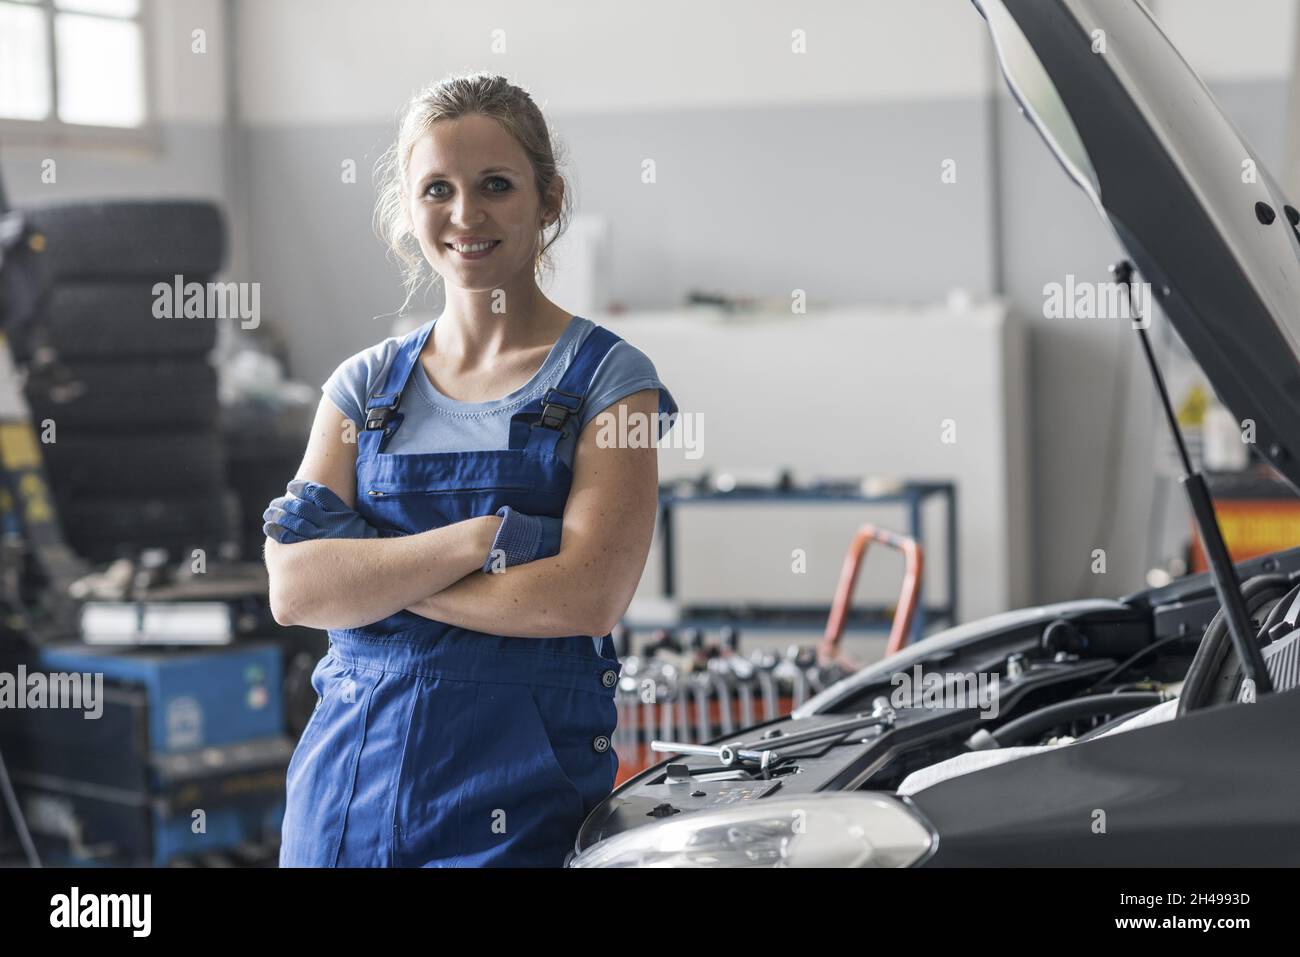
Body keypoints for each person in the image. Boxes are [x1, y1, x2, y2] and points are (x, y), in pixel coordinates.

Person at [263, 72, 677, 867]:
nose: (466, 215)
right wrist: (483, 538)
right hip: (346, 791)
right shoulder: (362, 386)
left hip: (519, 801)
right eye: (437, 189)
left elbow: (585, 596)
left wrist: (373, 577)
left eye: (496, 185)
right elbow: (296, 590)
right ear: (406, 209)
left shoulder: (610, 381)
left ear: (548, 199)